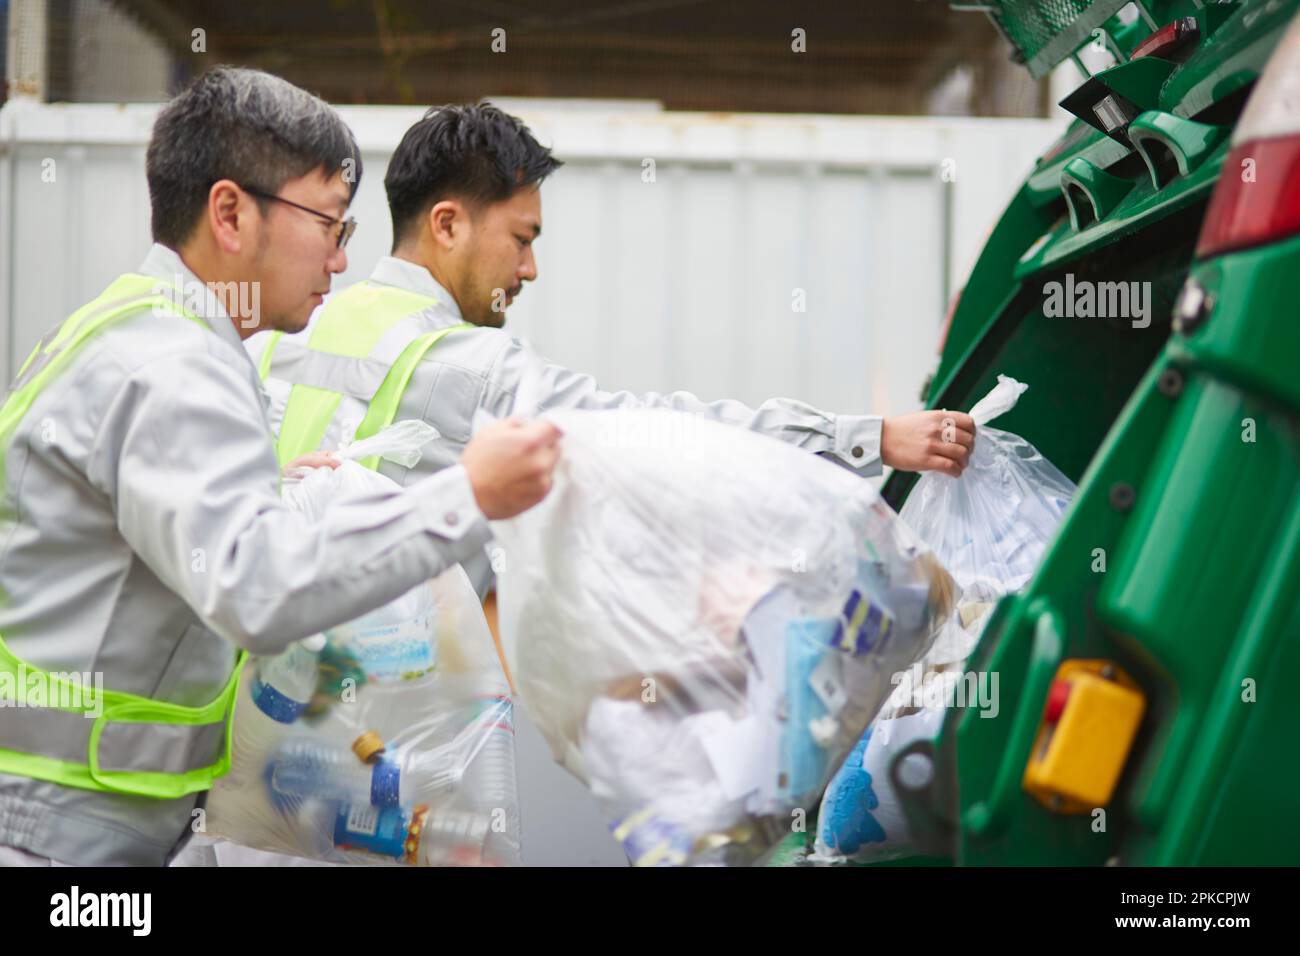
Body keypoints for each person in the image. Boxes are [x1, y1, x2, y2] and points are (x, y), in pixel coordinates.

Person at [0, 69, 559, 866]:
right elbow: (256, 590)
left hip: (78, 813)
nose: (339, 261)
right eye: (329, 224)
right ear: (230, 212)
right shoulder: (173, 366)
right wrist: (467, 496)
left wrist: (277, 491)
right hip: (63, 835)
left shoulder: (132, 325)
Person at [251, 103, 977, 597]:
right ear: (447, 225)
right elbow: (658, 431)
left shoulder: (284, 338)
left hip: (262, 748)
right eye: (523, 240)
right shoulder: (470, 370)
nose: (529, 270)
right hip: (377, 758)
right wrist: (869, 438)